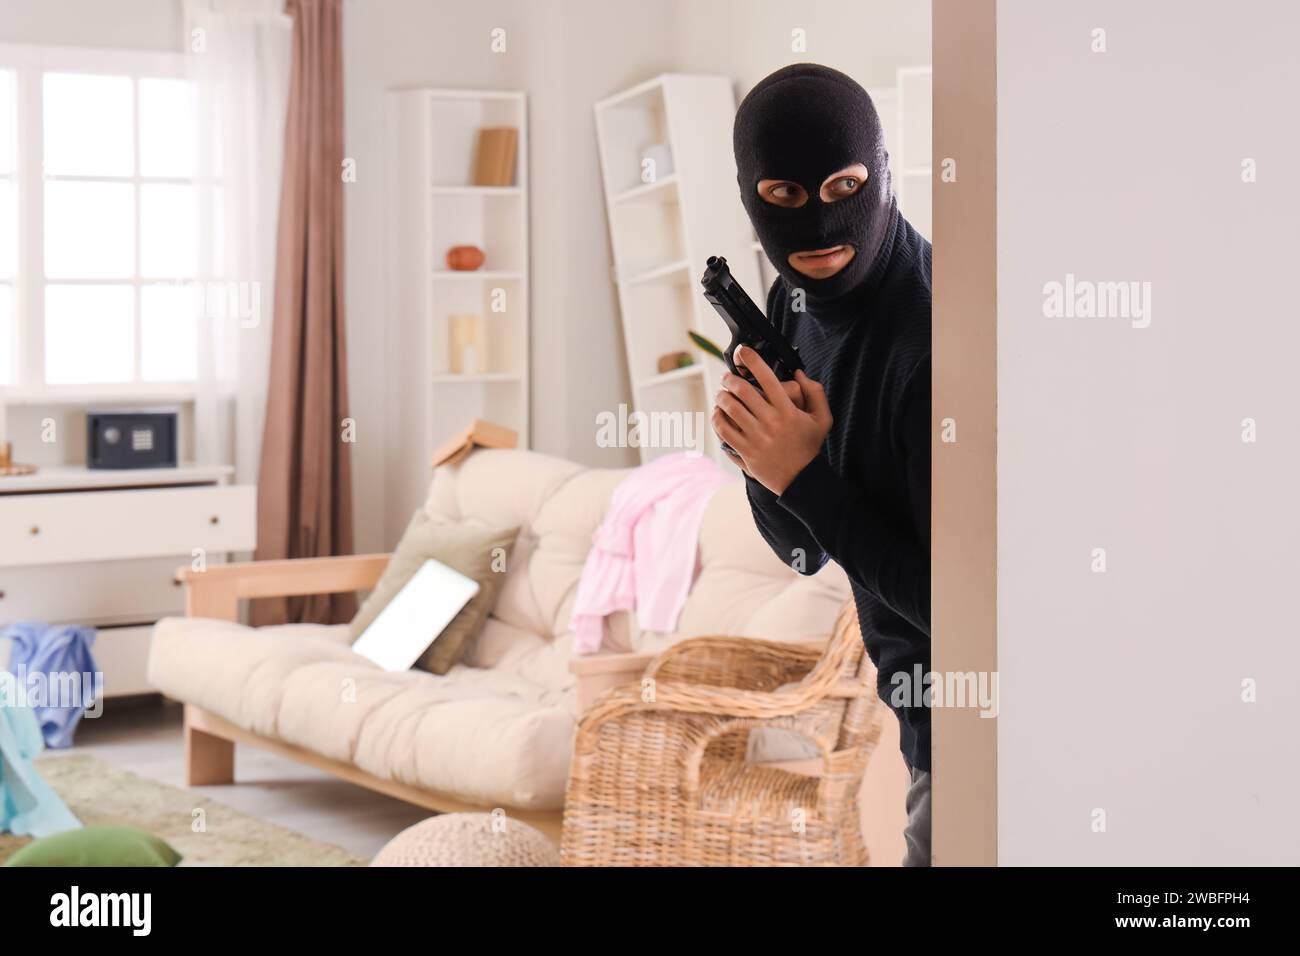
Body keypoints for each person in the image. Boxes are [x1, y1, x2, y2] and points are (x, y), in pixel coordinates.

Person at [710, 63, 932, 866]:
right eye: (786, 199)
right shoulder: (790, 307)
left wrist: (804, 476)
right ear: (751, 198)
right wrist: (757, 453)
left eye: (845, 184)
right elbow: (803, 553)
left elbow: (967, 616)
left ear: (881, 171)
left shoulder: (935, 340)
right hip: (914, 708)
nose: (822, 225)